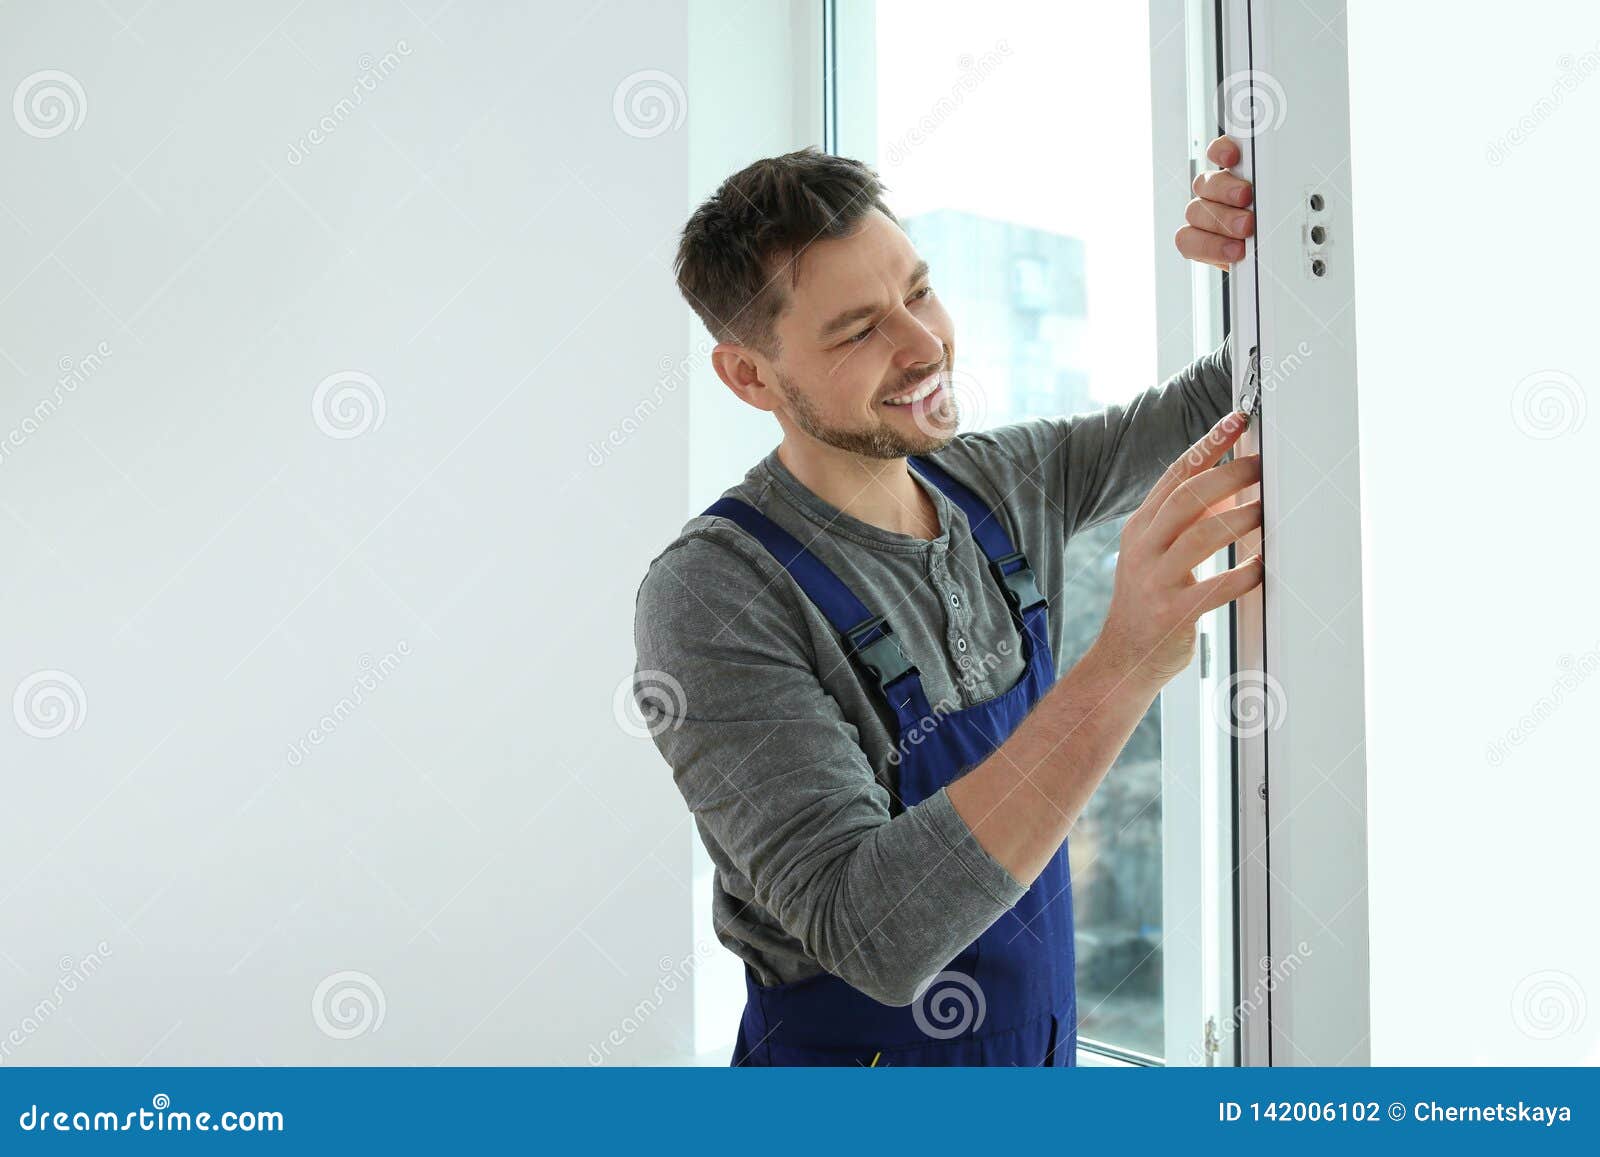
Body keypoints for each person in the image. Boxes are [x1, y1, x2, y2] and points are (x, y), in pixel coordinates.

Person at [632, 136, 1260, 1066]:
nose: (925, 346)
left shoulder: (998, 482)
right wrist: (1125, 662)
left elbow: (1230, 402)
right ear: (750, 376)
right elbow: (872, 932)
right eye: (857, 330)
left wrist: (1259, 251)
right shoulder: (715, 593)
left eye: (919, 291)